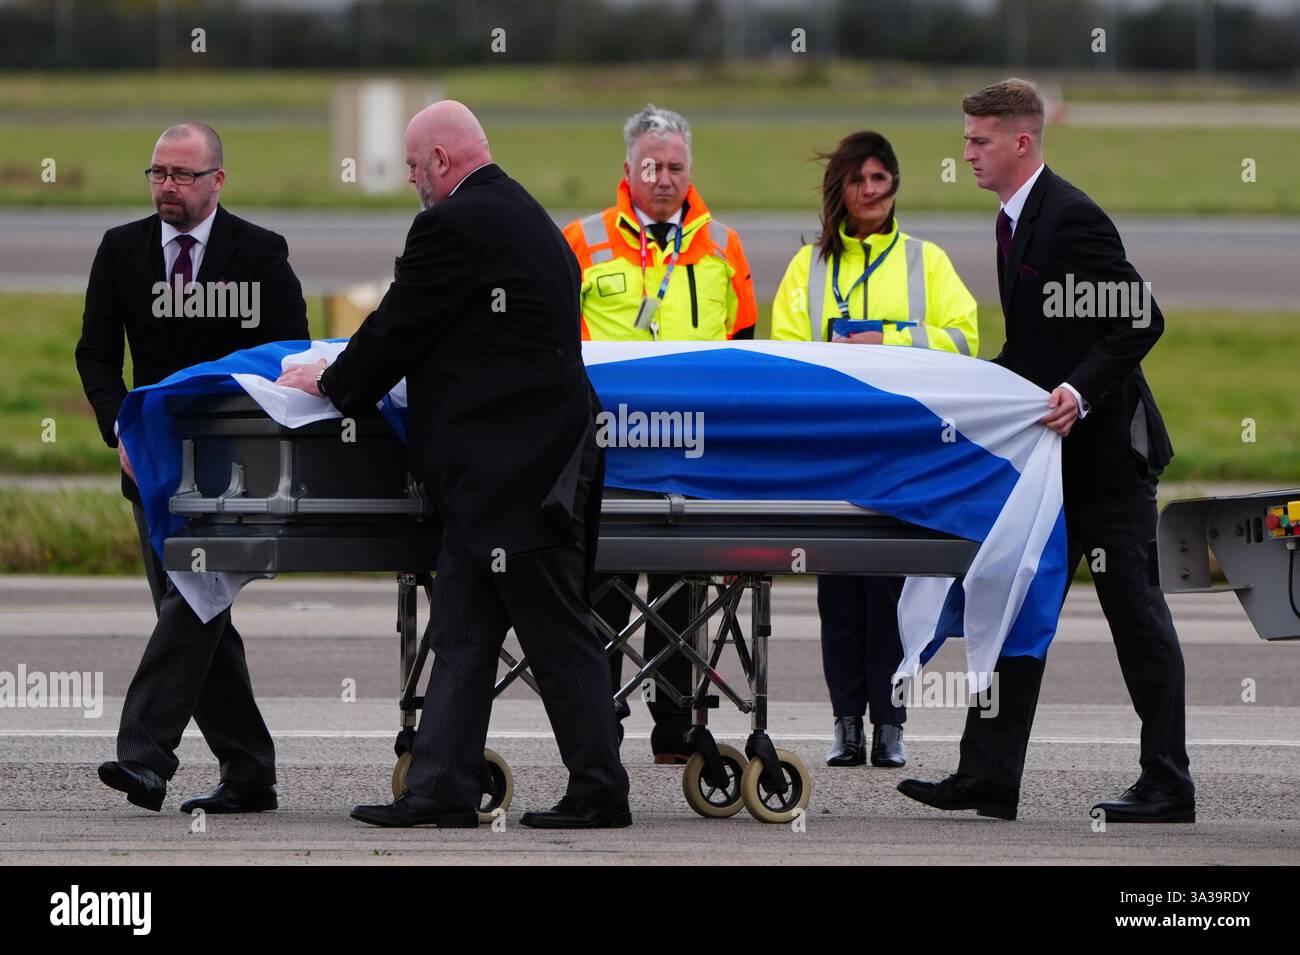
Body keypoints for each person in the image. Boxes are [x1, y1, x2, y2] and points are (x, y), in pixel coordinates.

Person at [276, 101, 631, 830]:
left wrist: (336, 382)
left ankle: (601, 788)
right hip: (521, 471)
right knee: (464, 630)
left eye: (413, 167)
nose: (413, 182)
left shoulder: (454, 224)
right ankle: (440, 784)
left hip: (517, 476)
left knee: (558, 632)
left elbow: (403, 321)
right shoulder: (524, 214)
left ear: (440, 160)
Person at [898, 78, 1191, 823]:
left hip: (1107, 467)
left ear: (1021, 142)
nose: (965, 153)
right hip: (1051, 470)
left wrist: (1079, 391)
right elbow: (1035, 345)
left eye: (979, 139)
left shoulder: (1070, 218)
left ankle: (1168, 781)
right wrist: (966, 387)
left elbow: (1140, 321)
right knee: (1015, 608)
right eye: (966, 138)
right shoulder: (1013, 220)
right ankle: (988, 776)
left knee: (1137, 618)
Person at [76, 123, 309, 813]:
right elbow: (94, 353)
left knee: (193, 603)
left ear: (217, 180)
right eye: (157, 173)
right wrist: (120, 421)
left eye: (181, 174)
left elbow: (290, 356)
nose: (166, 186)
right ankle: (249, 771)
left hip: (234, 466)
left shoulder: (260, 254)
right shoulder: (121, 250)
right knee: (194, 610)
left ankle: (144, 755)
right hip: (151, 464)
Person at [771, 130, 978, 770]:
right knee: (838, 592)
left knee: (891, 589)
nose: (870, 192)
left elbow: (965, 340)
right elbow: (784, 352)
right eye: (859, 180)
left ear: (894, 186)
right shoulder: (808, 267)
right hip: (834, 452)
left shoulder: (927, 260)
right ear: (841, 189)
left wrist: (887, 339)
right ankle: (844, 723)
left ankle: (890, 722)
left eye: (880, 179)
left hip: (901, 452)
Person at [562, 104, 757, 763]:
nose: (665, 178)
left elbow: (743, 349)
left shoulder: (724, 246)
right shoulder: (582, 240)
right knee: (603, 596)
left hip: (690, 452)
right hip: (607, 449)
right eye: (653, 166)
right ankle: (599, 725)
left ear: (690, 169)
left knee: (683, 596)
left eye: (676, 166)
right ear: (628, 169)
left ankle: (675, 727)